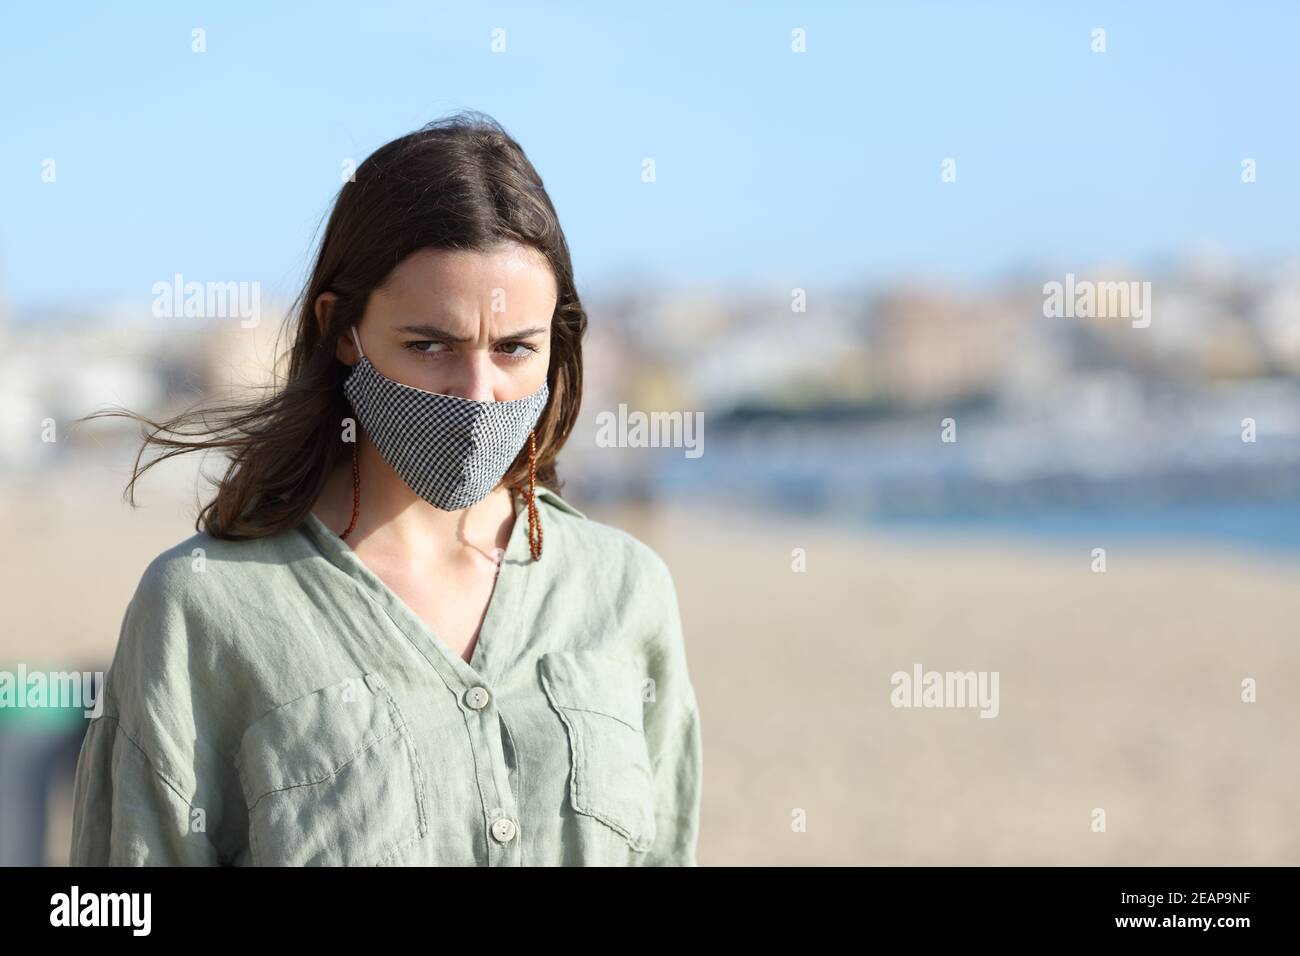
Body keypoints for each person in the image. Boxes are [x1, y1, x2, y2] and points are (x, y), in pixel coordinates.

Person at [68, 111, 702, 866]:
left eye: (513, 349)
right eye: (429, 345)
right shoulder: (204, 607)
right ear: (343, 330)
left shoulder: (626, 591)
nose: (477, 393)